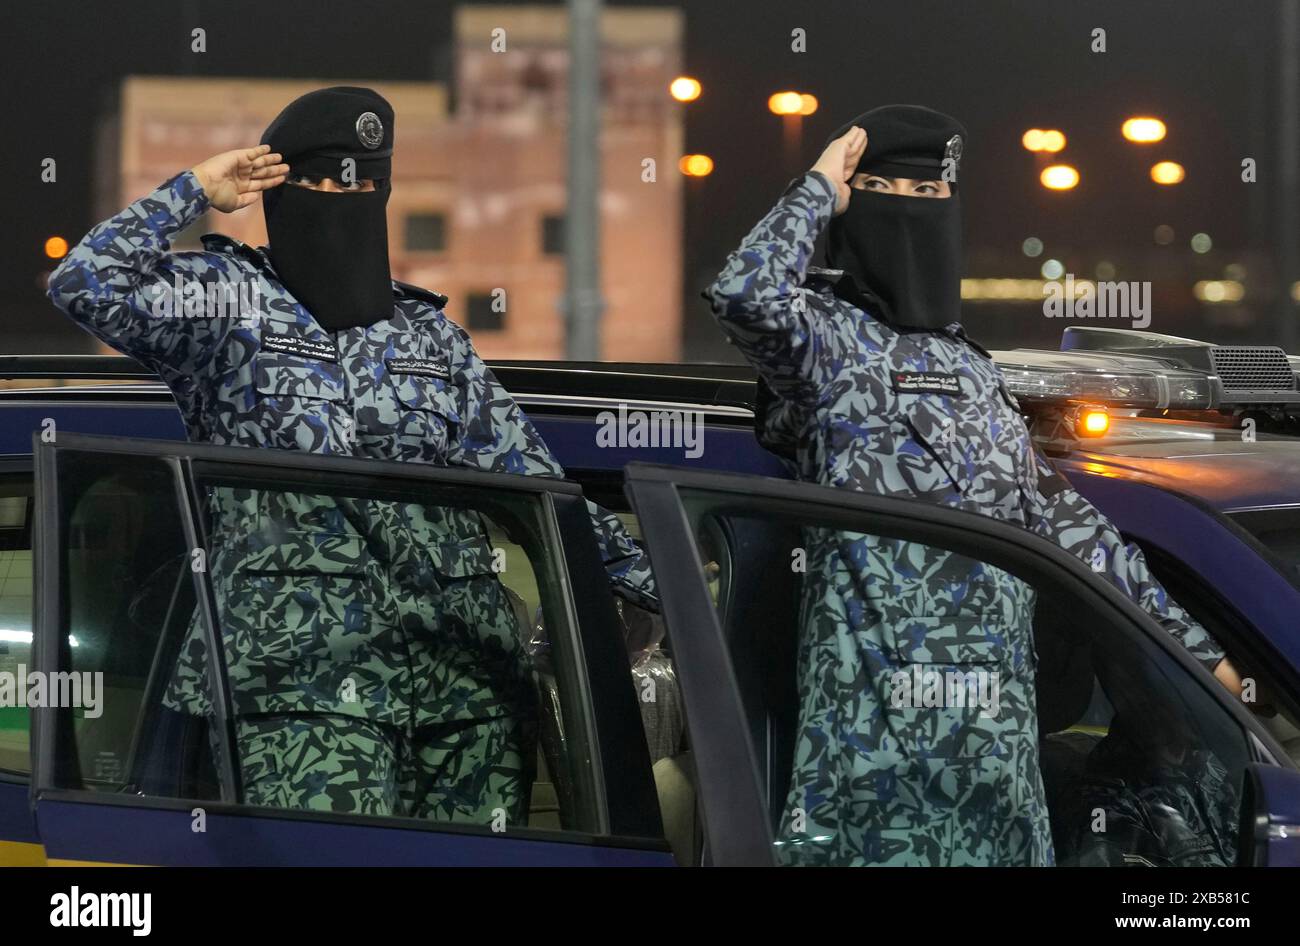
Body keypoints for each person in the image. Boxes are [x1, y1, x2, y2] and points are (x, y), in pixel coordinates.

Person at [48, 86, 657, 823]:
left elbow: (532, 482)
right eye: (326, 182)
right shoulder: (225, 306)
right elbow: (85, 283)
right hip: (300, 681)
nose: (349, 199)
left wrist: (663, 588)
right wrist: (193, 191)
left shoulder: (430, 337)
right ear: (279, 187)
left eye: (368, 183)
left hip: (465, 685)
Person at [705, 104, 1242, 866]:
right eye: (905, 194)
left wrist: (1202, 661)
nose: (927, 216)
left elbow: (1070, 528)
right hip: (875, 787)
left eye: (939, 199)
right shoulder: (826, 348)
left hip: (998, 782)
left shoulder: (972, 370)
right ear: (862, 202)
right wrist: (819, 188)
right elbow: (744, 294)